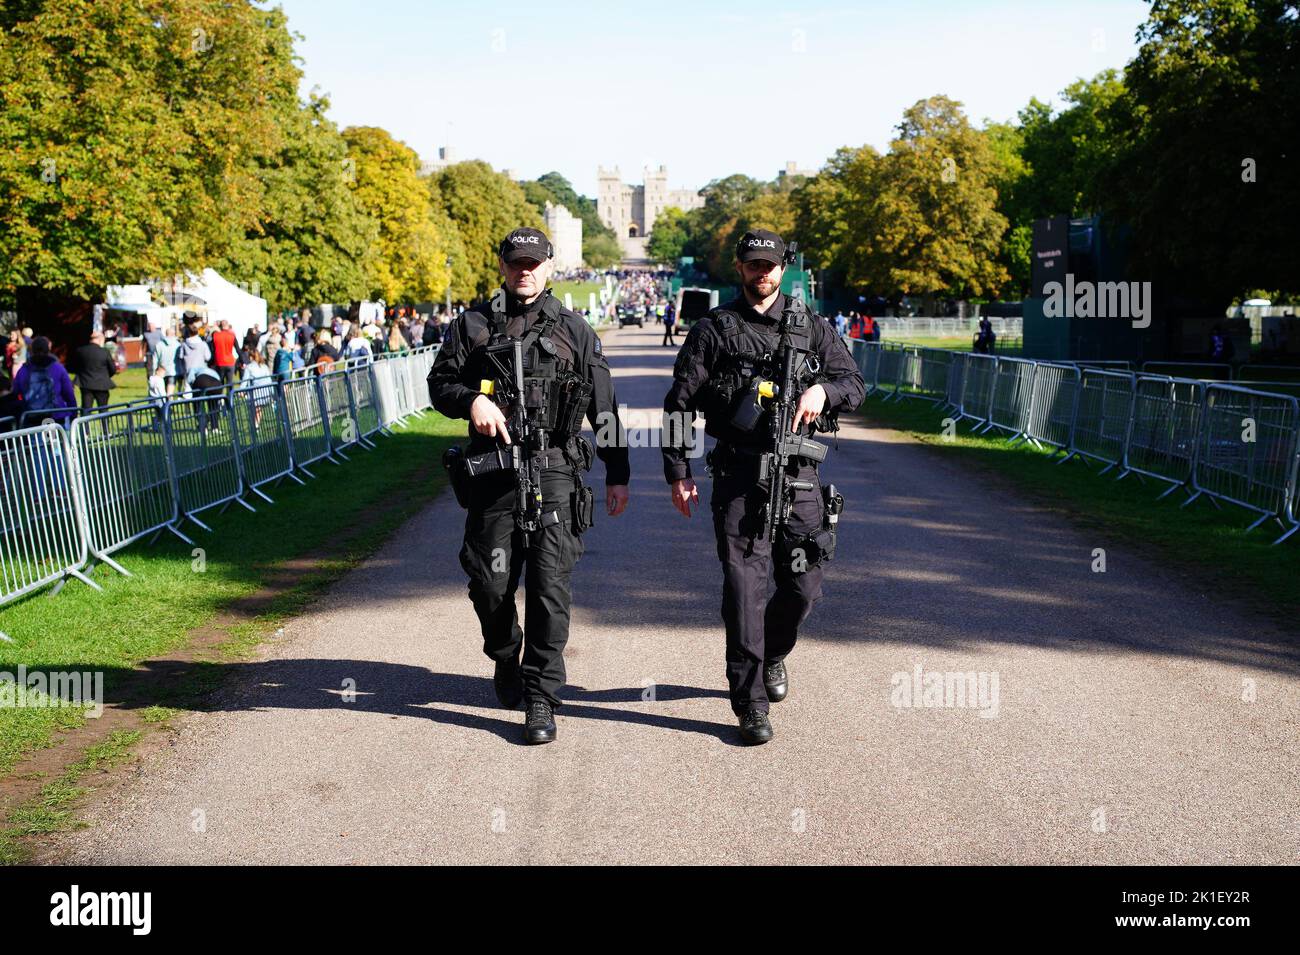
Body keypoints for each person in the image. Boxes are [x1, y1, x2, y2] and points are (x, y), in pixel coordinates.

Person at [428, 227, 631, 745]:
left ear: (549, 265)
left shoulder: (575, 330)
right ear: (502, 265)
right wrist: (471, 400)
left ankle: (541, 697)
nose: (525, 271)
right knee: (489, 582)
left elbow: (602, 407)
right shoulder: (473, 324)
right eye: (516, 262)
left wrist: (618, 471)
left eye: (534, 262)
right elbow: (439, 384)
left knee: (549, 589)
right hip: (494, 472)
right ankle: (504, 654)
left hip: (555, 472)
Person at [662, 229, 865, 745]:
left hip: (799, 479)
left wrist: (823, 388)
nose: (763, 273)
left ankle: (773, 652)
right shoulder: (715, 329)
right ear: (740, 267)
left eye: (771, 265)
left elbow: (855, 385)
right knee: (743, 591)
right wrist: (679, 472)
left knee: (802, 587)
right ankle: (749, 702)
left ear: (784, 267)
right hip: (738, 478)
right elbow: (679, 404)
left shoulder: (811, 327)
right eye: (753, 264)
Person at [12, 335, 76, 427]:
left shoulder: (24, 369)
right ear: (48, 349)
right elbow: (68, 393)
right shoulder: (57, 367)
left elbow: (16, 391)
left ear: (32, 350)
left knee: (35, 441)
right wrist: (74, 413)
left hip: (32, 415)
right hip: (56, 414)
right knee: (58, 440)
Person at [70, 331, 118, 414]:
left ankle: (85, 426)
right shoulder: (104, 352)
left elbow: (74, 367)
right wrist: (106, 376)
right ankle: (105, 426)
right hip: (102, 384)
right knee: (103, 410)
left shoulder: (80, 351)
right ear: (100, 339)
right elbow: (113, 369)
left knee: (86, 410)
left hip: (85, 384)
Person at [212, 320, 238, 387]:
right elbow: (238, 349)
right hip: (230, 362)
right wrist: (243, 361)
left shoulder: (215, 335)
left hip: (219, 362)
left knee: (219, 383)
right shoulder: (232, 335)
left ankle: (220, 397)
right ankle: (230, 397)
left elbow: (213, 350)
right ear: (228, 325)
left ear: (220, 326)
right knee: (230, 383)